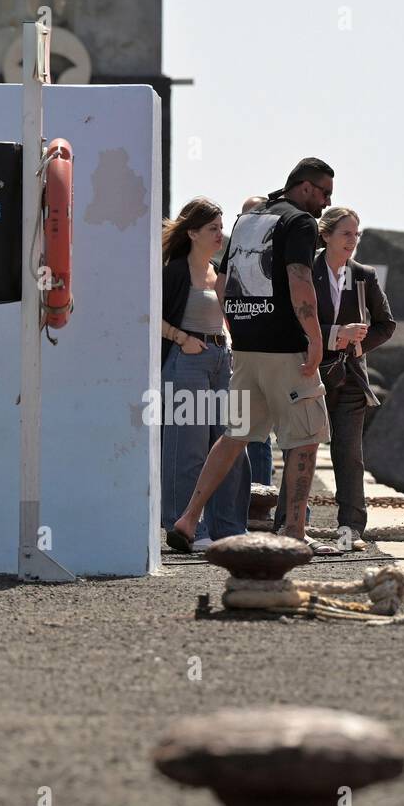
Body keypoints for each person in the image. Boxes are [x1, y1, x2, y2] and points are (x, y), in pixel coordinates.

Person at [168, 158, 336, 555]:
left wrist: (238, 328)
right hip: (286, 352)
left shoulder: (249, 220)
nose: (327, 203)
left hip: (245, 349)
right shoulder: (300, 223)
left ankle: (188, 519)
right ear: (306, 187)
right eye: (325, 193)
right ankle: (294, 534)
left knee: (233, 436)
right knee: (306, 439)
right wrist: (314, 338)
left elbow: (224, 283)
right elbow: (299, 279)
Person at [273, 206, 395, 550]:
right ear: (325, 235)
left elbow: (387, 325)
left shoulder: (364, 275)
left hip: (353, 378)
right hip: (310, 373)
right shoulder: (303, 270)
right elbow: (288, 322)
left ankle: (352, 527)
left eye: (357, 234)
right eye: (346, 234)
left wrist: (358, 346)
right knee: (302, 448)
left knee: (349, 454)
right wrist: (334, 334)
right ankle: (288, 521)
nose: (352, 241)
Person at [159, 197, 249, 550]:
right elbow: (150, 316)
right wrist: (182, 339)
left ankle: (229, 527)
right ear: (192, 232)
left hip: (222, 359)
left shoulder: (217, 270)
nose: (220, 234)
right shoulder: (175, 271)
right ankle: (186, 528)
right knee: (189, 447)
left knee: (231, 442)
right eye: (213, 228)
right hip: (188, 361)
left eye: (221, 227)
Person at [238, 194, 274, 487]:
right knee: (235, 431)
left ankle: (262, 501)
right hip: (233, 356)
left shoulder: (277, 260)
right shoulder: (227, 261)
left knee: (261, 434)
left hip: (269, 355)